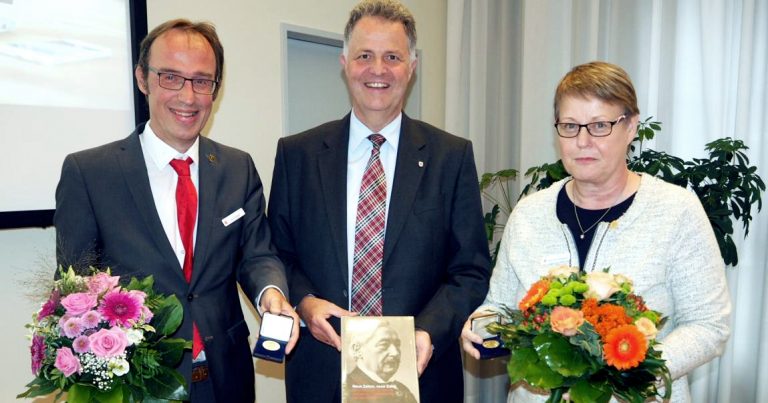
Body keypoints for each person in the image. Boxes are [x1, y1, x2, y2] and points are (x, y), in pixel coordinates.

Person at [54, 19, 299, 402]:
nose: (188, 96)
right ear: (142, 78)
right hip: (136, 386)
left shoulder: (237, 167)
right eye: (171, 77)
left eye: (202, 81)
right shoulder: (89, 174)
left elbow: (257, 253)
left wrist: (272, 292)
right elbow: (73, 292)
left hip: (224, 380)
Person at [460, 61, 731, 402]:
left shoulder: (677, 212)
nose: (583, 141)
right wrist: (482, 326)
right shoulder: (530, 213)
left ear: (631, 126)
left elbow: (709, 325)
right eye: (570, 126)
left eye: (600, 125)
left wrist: (627, 368)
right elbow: (499, 304)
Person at [268, 1, 491, 401]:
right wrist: (304, 303)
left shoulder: (450, 156)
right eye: (364, 56)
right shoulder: (297, 154)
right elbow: (278, 253)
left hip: (423, 374)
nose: (378, 70)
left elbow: (470, 270)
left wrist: (429, 330)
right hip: (322, 371)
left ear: (412, 66)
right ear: (344, 63)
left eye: (392, 57)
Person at [344, 321, 417, 403]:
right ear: (357, 349)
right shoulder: (346, 387)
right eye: (384, 344)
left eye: (397, 345)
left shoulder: (402, 390)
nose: (395, 352)